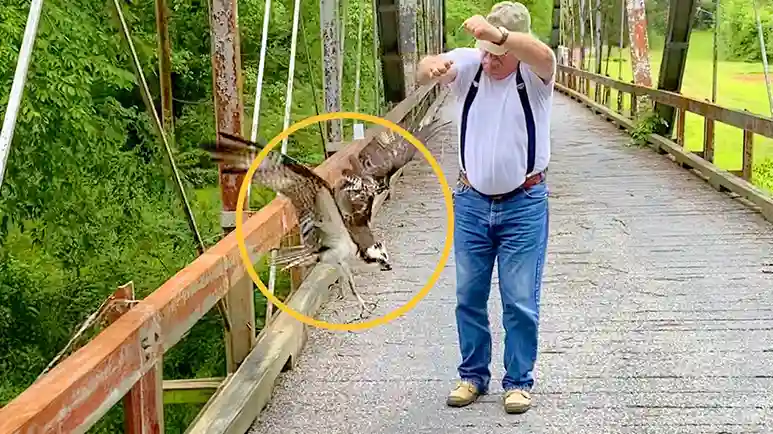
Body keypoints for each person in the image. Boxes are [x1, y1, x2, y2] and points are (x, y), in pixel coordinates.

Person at [415, 1, 556, 415]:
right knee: (468, 295)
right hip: (472, 201)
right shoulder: (472, 64)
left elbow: (544, 55)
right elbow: (426, 65)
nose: (490, 62)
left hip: (524, 204)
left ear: (516, 46)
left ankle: (518, 382)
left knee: (519, 299)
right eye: (485, 52)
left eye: (498, 53)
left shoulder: (535, 75)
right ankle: (473, 376)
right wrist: (432, 70)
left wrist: (499, 38)